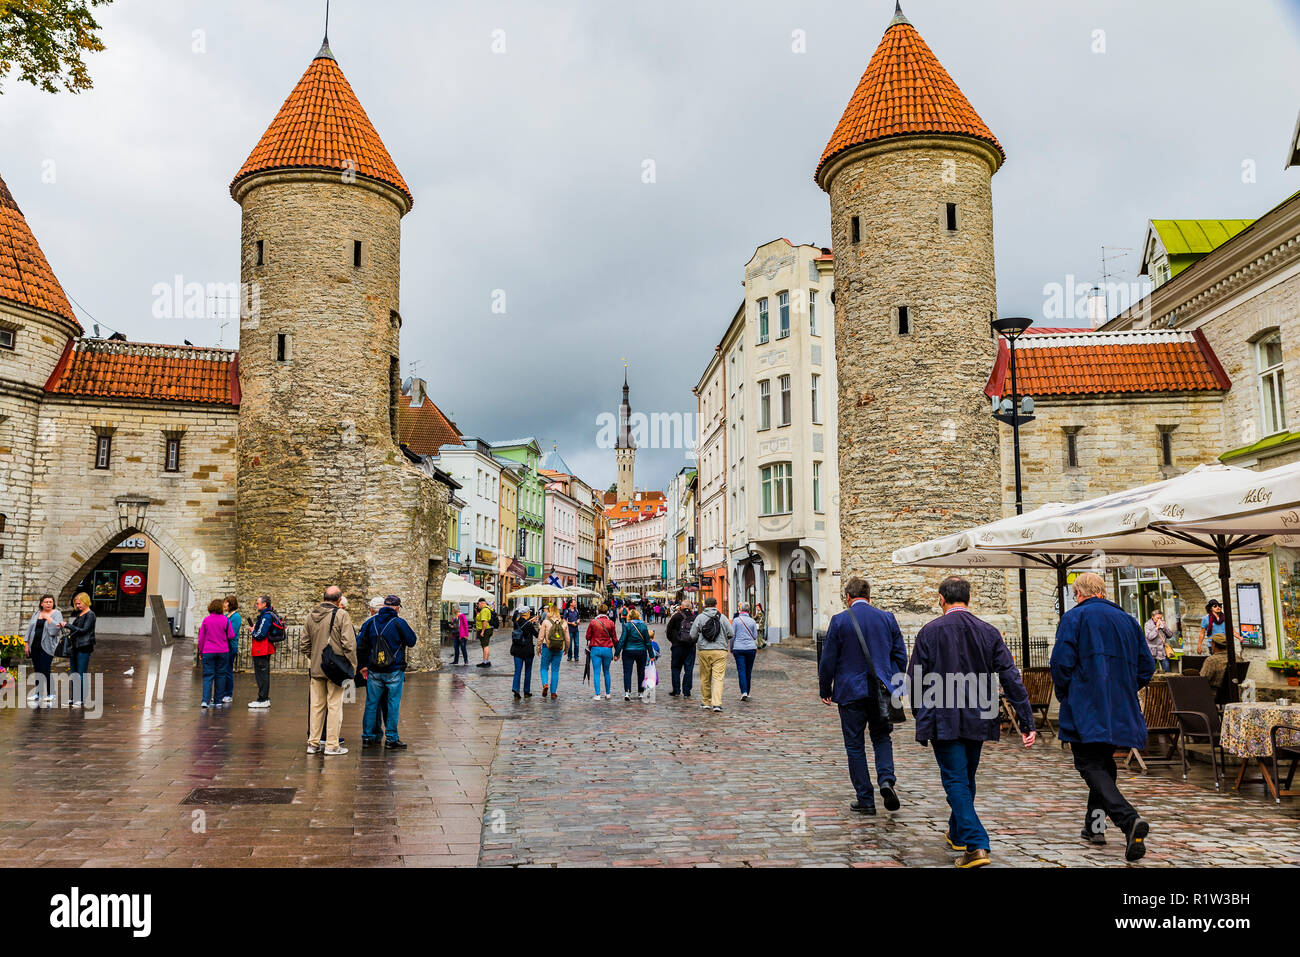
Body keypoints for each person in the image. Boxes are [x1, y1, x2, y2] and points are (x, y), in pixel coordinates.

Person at [909, 577, 1036, 869]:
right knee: (965, 776)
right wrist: (1026, 719)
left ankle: (976, 844)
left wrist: (921, 713)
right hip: (979, 712)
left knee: (956, 778)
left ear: (942, 598)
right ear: (968, 598)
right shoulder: (988, 631)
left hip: (944, 713)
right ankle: (957, 832)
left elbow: (915, 679)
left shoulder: (930, 632)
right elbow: (1010, 676)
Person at [1051, 571, 1154, 861]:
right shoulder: (1128, 621)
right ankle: (1095, 827)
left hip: (1086, 702)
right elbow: (1146, 666)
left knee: (1088, 764)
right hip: (1118, 705)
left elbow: (1061, 662)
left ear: (1079, 594)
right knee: (1103, 764)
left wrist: (1066, 693)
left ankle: (1127, 818)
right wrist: (1123, 688)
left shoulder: (1075, 618)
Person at [818, 577, 907, 815]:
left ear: (848, 597)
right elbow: (900, 656)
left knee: (855, 745)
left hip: (850, 691)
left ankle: (865, 798)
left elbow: (828, 660)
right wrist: (894, 683)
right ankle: (887, 779)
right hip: (881, 690)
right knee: (881, 737)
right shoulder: (887, 618)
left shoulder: (839, 621)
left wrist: (825, 688)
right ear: (869, 596)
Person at [356, 594, 419, 749]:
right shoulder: (399, 622)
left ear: (384, 605)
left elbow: (360, 645)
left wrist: (363, 665)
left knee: (371, 704)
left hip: (374, 670)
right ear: (397, 607)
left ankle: (368, 737)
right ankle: (391, 738)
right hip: (394, 669)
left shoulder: (371, 622)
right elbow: (412, 641)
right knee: (392, 704)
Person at [301, 585, 357, 755]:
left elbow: (304, 644)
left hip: (317, 668)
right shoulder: (341, 615)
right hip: (336, 669)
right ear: (339, 600)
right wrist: (351, 666)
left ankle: (313, 743)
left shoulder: (311, 616)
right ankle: (332, 745)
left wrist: (316, 658)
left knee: (316, 707)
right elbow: (349, 644)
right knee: (334, 706)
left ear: (323, 597)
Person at [690, 596, 734, 712]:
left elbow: (692, 635)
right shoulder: (723, 617)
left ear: (705, 604)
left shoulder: (699, 617)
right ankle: (717, 704)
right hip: (720, 651)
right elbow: (731, 633)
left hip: (704, 650)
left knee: (705, 677)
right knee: (718, 678)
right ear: (716, 604)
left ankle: (705, 702)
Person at [22, 594, 62, 705]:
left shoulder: (56, 614)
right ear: (41, 603)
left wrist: (48, 619)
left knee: (45, 669)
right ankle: (38, 694)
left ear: (53, 603)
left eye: (51, 602)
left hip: (47, 647)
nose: (49, 604)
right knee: (37, 670)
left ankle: (51, 694)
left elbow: (56, 630)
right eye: (46, 602)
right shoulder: (36, 613)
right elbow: (29, 629)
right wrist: (26, 644)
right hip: (34, 646)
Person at [197, 598, 235, 710]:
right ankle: (218, 701)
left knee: (208, 676)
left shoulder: (206, 620)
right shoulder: (226, 620)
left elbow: (201, 638)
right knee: (221, 675)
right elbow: (231, 635)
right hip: (223, 651)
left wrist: (200, 651)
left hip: (208, 651)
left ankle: (205, 700)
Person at [614, 608, 655, 702]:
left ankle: (627, 692)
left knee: (627, 672)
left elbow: (622, 640)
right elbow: (648, 642)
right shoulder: (643, 626)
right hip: (641, 651)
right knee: (641, 672)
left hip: (628, 651)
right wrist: (651, 655)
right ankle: (640, 692)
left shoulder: (627, 625)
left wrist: (617, 653)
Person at [247, 595, 276, 708]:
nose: (256, 605)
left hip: (262, 649)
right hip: (263, 649)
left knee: (262, 675)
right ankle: (263, 698)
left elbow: (261, 635)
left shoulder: (265, 617)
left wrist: (253, 632)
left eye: (258, 603)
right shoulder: (266, 616)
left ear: (264, 604)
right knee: (262, 674)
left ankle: (263, 699)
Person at [666, 600, 697, 698]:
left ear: (681, 607)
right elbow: (698, 632)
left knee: (675, 668)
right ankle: (687, 691)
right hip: (690, 647)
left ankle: (676, 690)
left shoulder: (676, 616)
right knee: (689, 669)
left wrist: (674, 641)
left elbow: (668, 631)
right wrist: (693, 641)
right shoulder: (694, 617)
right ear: (691, 607)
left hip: (677, 647)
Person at [586, 604, 617, 700]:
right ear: (607, 612)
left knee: (596, 672)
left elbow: (587, 636)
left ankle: (598, 694)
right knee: (607, 672)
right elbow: (615, 638)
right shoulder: (611, 623)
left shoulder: (593, 622)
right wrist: (617, 652)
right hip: (607, 649)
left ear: (598, 611)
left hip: (595, 648)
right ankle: (608, 693)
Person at [731, 602, 759, 701]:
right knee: (748, 671)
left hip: (738, 648)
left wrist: (731, 647)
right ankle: (748, 691)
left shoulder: (736, 620)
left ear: (740, 610)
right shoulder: (752, 621)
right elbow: (755, 636)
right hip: (751, 648)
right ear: (749, 610)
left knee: (741, 670)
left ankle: (744, 692)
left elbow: (732, 636)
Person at [538, 606, 568, 698]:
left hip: (547, 647)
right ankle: (553, 692)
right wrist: (566, 648)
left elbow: (540, 637)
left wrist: (538, 648)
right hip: (558, 649)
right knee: (555, 670)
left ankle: (545, 684)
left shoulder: (546, 622)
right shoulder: (564, 623)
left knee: (544, 668)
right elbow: (568, 639)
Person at [510, 607, 538, 699]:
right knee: (528, 671)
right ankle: (526, 691)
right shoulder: (529, 625)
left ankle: (516, 689)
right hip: (527, 650)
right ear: (526, 614)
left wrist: (531, 622)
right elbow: (536, 635)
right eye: (529, 612)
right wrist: (536, 625)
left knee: (517, 671)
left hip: (517, 650)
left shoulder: (516, 622)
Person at [221, 595, 241, 705]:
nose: (224, 604)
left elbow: (231, 633)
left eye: (225, 602)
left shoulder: (236, 617)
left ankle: (228, 694)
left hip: (230, 646)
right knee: (222, 670)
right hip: (223, 646)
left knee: (228, 670)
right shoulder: (225, 616)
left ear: (229, 603)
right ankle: (222, 693)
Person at [475, 599, 494, 667]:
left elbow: (484, 621)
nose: (477, 605)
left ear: (481, 603)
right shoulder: (487, 609)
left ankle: (485, 662)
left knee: (485, 646)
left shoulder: (484, 610)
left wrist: (482, 631)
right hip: (487, 629)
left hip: (485, 630)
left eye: (478, 604)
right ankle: (486, 661)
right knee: (485, 645)